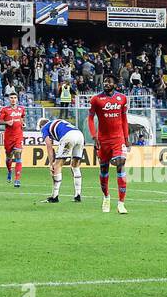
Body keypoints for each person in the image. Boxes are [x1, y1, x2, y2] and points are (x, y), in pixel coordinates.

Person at [89, 75, 130, 214]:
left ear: (115, 84)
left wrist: (126, 137)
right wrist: (94, 137)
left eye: (109, 81)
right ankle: (106, 197)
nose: (106, 83)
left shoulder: (122, 98)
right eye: (105, 81)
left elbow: (124, 119)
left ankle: (121, 203)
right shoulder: (96, 99)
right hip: (103, 141)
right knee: (104, 171)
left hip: (118, 139)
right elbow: (90, 119)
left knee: (120, 165)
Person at [38, 116, 84, 203]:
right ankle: (78, 195)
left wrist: (51, 163)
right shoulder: (58, 122)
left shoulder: (44, 128)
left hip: (68, 137)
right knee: (75, 166)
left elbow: (49, 146)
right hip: (79, 135)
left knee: (57, 166)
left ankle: (55, 196)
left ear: (41, 126)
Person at [0, 90, 25, 187]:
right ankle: (9, 171)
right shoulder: (5, 109)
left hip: (18, 136)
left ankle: (17, 180)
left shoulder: (21, 109)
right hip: (8, 138)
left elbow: (22, 118)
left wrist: (22, 123)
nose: (13, 100)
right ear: (9, 99)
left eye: (15, 98)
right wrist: (6, 123)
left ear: (17, 99)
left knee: (18, 155)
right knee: (9, 157)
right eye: (11, 98)